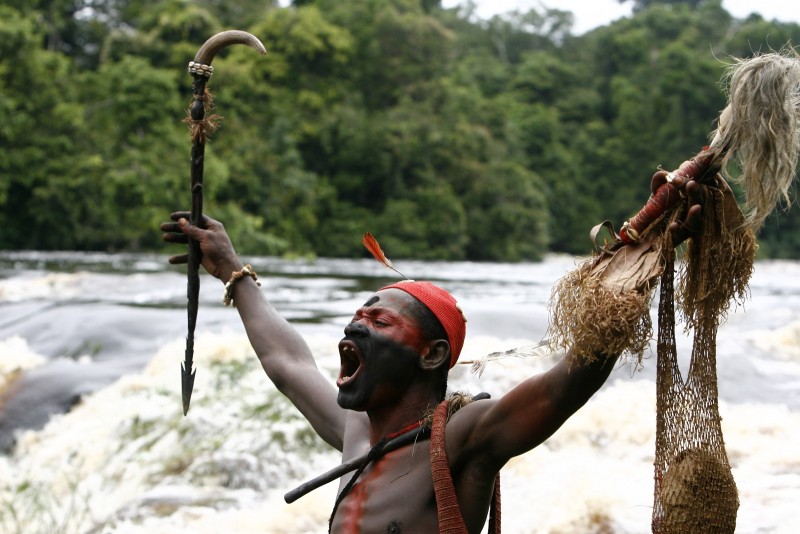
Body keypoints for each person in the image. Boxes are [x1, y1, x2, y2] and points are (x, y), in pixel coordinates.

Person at [160, 177, 702, 533]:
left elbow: (566, 384)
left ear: (431, 355)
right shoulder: (355, 433)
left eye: (380, 320)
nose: (356, 324)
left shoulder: (462, 439)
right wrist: (233, 270)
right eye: (357, 317)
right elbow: (289, 363)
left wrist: (645, 260)